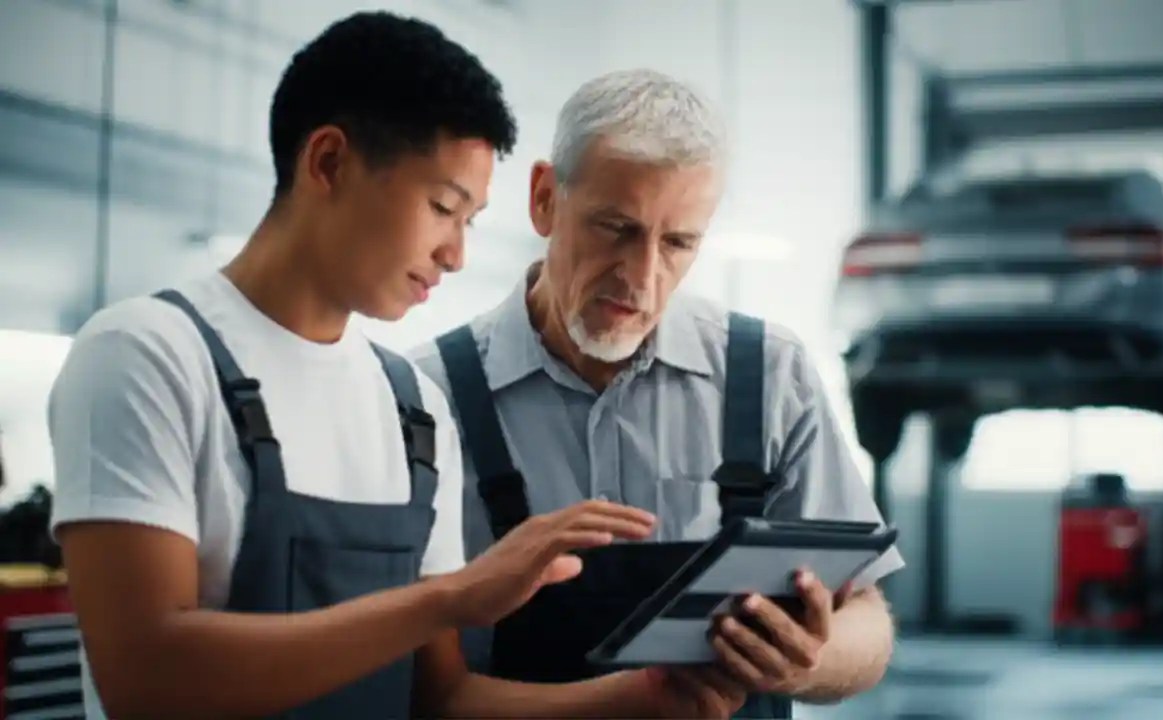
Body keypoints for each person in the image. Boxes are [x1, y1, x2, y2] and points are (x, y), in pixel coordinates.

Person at [48, 15, 746, 720]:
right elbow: (144, 677)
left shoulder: (411, 404)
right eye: (442, 207)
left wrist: (640, 698)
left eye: (468, 220)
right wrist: (451, 597)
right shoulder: (148, 356)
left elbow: (442, 700)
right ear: (327, 162)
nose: (455, 254)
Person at [412, 69, 905, 719]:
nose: (642, 278)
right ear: (544, 200)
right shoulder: (424, 396)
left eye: (678, 243)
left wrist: (809, 657)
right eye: (616, 228)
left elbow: (865, 614)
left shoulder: (770, 378)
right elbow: (425, 692)